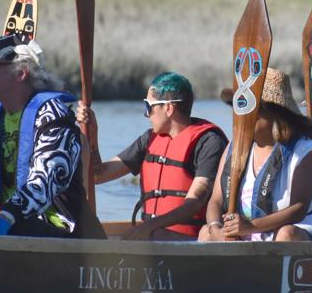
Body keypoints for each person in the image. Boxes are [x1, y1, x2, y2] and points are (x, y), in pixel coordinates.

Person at [0, 35, 101, 238]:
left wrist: (5, 219)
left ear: (21, 73)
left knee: (18, 227)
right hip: (7, 227)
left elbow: (44, 184)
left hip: (64, 235)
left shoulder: (53, 117)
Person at [78, 72, 226, 241]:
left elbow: (195, 202)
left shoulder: (209, 142)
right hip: (153, 234)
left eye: (149, 106)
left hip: (193, 240)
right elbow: (98, 175)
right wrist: (92, 133)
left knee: (152, 235)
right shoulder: (149, 139)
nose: (147, 114)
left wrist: (150, 226)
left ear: (169, 108)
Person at [199, 68, 312, 242]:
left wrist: (250, 227)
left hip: (304, 227)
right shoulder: (233, 148)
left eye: (251, 109)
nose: (241, 116)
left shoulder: (307, 152)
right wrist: (216, 229)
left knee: (286, 235)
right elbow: (215, 200)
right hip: (251, 230)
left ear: (276, 114)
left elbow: (298, 209)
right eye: (239, 108)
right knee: (205, 233)